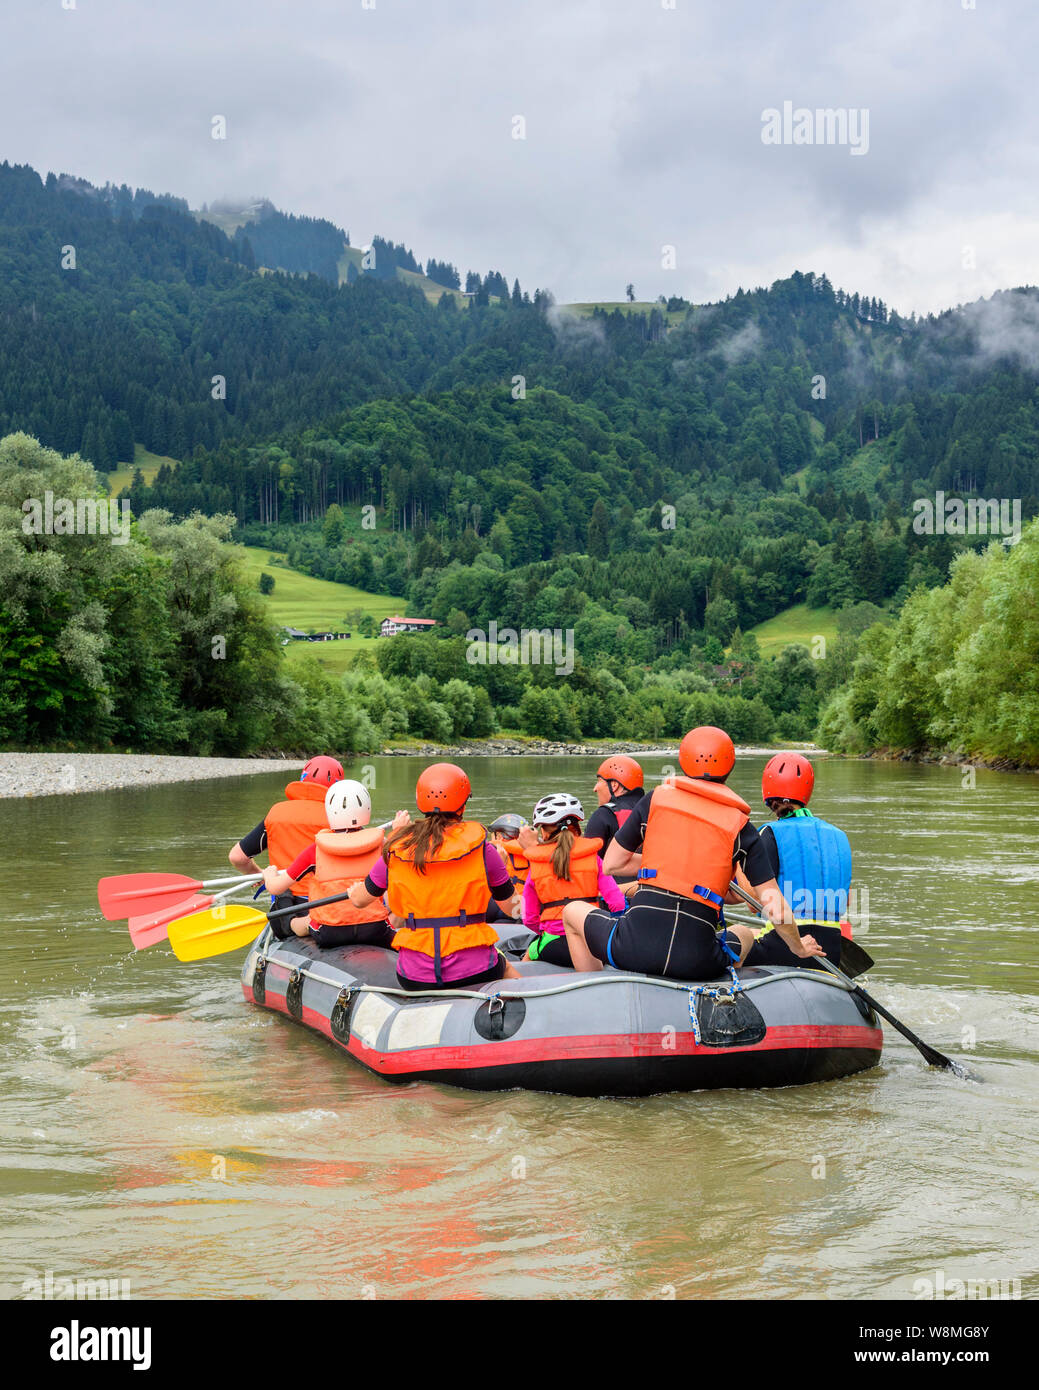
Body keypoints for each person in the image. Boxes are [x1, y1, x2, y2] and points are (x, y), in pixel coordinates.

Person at [562, 726, 823, 979]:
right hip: (697, 961)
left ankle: (593, 987)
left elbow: (612, 864)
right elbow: (774, 904)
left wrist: (665, 864)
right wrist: (798, 946)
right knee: (743, 932)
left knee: (571, 910)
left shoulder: (655, 800)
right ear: (729, 769)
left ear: (683, 762)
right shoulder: (743, 827)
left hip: (632, 948)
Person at [347, 763, 523, 991]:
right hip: (476, 970)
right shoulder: (483, 849)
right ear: (463, 804)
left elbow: (360, 900)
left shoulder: (396, 848)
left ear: (421, 802)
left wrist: (354, 892)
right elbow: (513, 910)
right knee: (505, 965)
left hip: (414, 975)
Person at [261, 780, 410, 949]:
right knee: (399, 906)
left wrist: (269, 875)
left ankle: (292, 923)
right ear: (367, 809)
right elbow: (402, 855)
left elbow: (275, 888)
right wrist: (398, 830)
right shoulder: (382, 845)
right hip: (375, 930)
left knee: (310, 921)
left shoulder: (315, 850)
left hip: (330, 933)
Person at [742, 753, 852, 969]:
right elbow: (845, 902)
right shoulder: (840, 836)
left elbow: (752, 903)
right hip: (830, 949)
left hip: (785, 946)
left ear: (768, 793)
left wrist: (737, 861)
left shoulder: (769, 833)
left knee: (735, 939)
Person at [229, 755, 344, 937]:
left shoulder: (277, 812)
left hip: (287, 908)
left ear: (303, 778)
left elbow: (237, 857)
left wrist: (261, 876)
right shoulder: (340, 818)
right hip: (331, 907)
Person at [519, 794, 625, 968]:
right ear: (577, 827)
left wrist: (547, 930)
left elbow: (529, 918)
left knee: (529, 954)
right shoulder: (593, 858)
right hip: (591, 940)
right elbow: (618, 904)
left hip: (553, 944)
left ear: (544, 833)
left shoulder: (536, 865)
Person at [584, 757, 645, 871]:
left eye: (599, 781)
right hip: (651, 884)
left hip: (615, 887)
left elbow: (588, 866)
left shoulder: (603, 815)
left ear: (614, 785)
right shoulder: (650, 810)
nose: (595, 788)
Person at [485, 813, 530, 924]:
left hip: (498, 906)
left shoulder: (489, 850)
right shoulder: (534, 851)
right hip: (523, 908)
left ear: (499, 835)